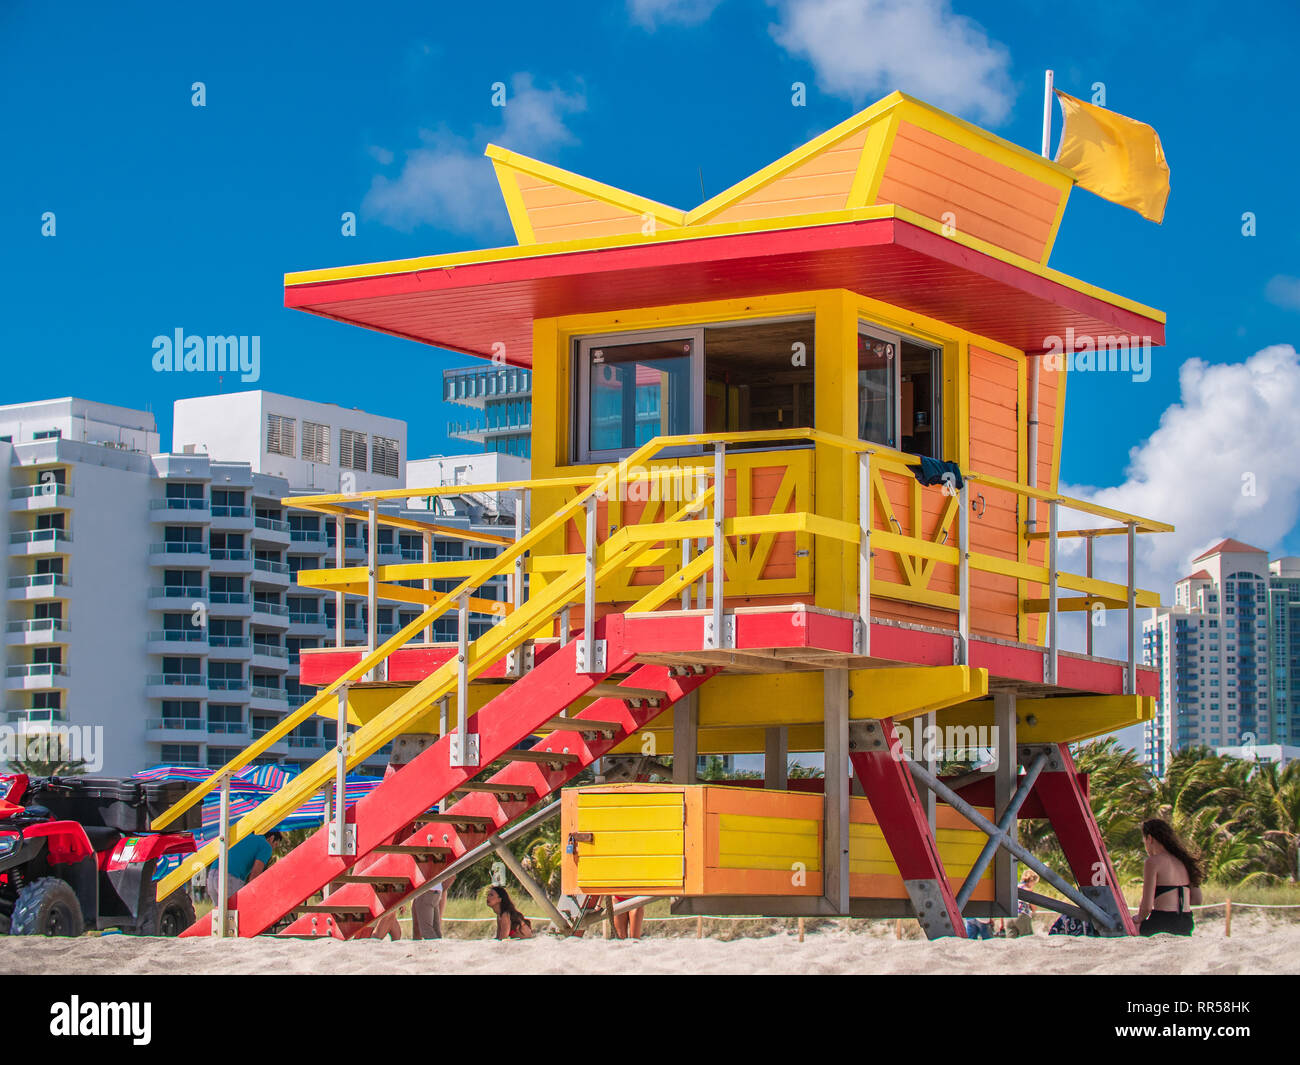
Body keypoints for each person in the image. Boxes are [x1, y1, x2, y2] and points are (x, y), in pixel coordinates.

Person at [1136, 818, 1202, 936]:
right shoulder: (1185, 861)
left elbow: (1146, 907)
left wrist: (1137, 919)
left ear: (1149, 838)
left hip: (1163, 921)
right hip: (1185, 921)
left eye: (1144, 841)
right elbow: (1197, 900)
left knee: (1130, 928)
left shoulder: (1153, 862)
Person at [206, 830, 281, 901]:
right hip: (230, 878)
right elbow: (254, 875)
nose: (274, 848)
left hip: (212, 874)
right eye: (275, 844)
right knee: (240, 912)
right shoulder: (266, 846)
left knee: (220, 913)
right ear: (272, 838)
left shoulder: (246, 836)